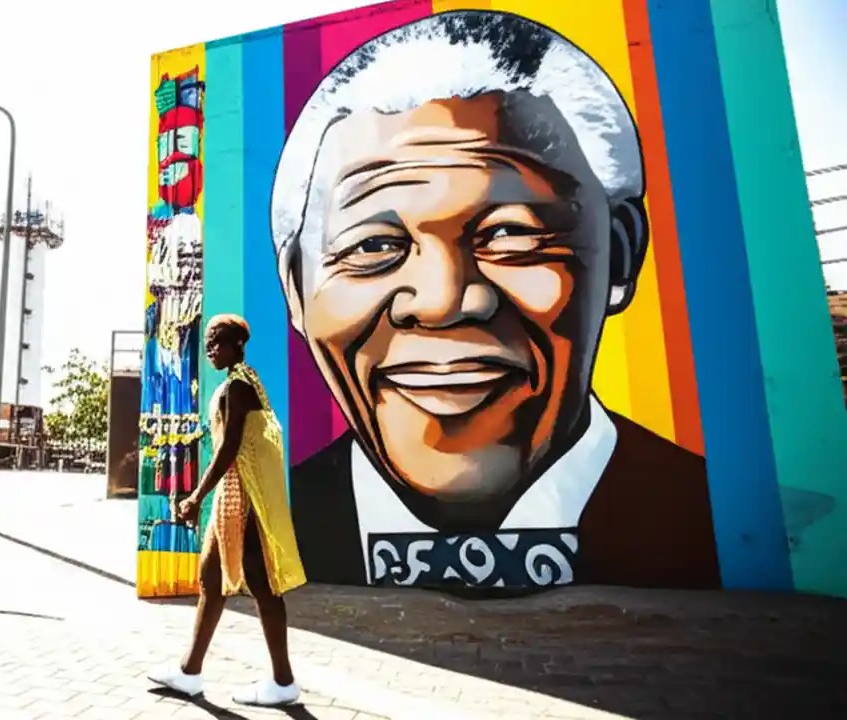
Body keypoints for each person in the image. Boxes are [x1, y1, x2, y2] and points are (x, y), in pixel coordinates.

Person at [270, 10, 720, 590]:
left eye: (511, 234)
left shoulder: (712, 523)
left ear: (619, 252)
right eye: (374, 245)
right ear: (297, 291)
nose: (441, 301)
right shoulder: (272, 523)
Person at [149, 313, 307, 707]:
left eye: (217, 341)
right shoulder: (239, 383)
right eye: (208, 342)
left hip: (244, 498)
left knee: (262, 584)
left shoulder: (238, 386)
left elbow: (229, 447)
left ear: (238, 344)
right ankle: (189, 671)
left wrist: (195, 496)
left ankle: (283, 682)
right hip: (234, 497)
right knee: (211, 580)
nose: (210, 349)